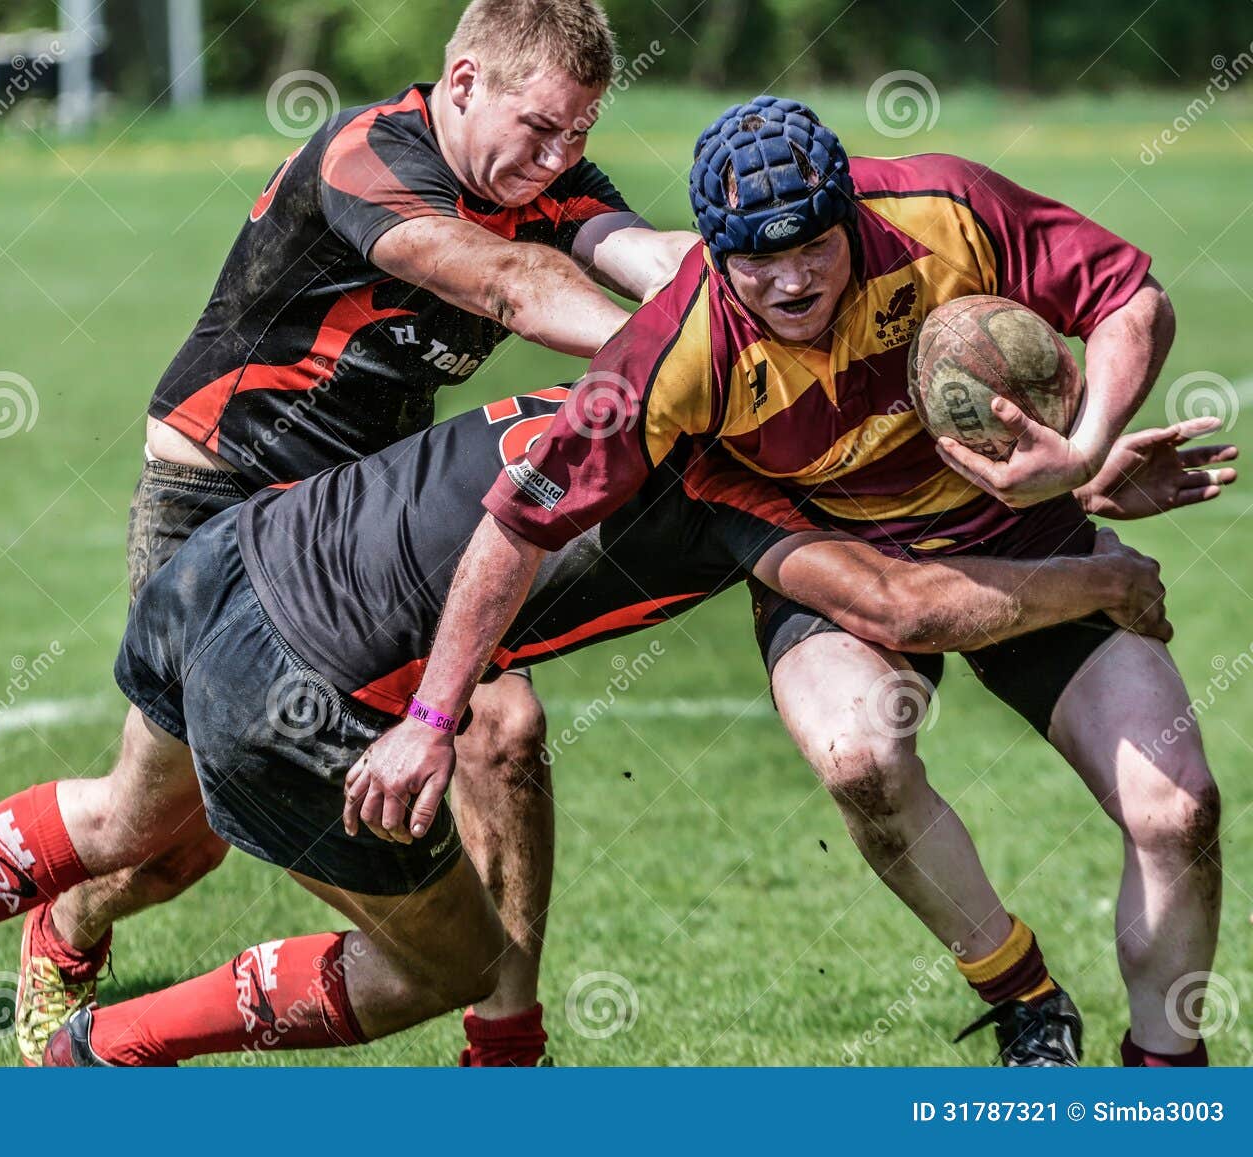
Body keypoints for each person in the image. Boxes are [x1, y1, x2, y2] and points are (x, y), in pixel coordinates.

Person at [0, 386, 1184, 1066]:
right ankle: (103, 1055)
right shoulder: (745, 490)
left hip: (230, 559)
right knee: (440, 959)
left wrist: (1070, 466)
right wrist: (1099, 573)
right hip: (290, 683)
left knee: (132, 823)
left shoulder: (648, 363)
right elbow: (907, 600)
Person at [352, 95, 1232, 1067]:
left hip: (1021, 534)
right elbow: (516, 524)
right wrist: (430, 720)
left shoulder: (944, 210)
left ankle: (1162, 1078)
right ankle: (1021, 993)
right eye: (757, 261)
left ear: (847, 210)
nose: (791, 278)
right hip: (831, 566)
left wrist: (1083, 448)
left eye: (814, 245)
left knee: (1176, 808)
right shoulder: (674, 348)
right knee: (859, 756)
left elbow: (1127, 297)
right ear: (713, 254)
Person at [17, 0, 695, 1068]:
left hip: (367, 517)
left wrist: (758, 297)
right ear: (462, 82)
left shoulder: (550, 174)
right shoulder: (371, 154)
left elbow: (645, 252)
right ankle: (70, 922)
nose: (562, 156)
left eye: (581, 133)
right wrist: (691, 365)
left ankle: (506, 1041)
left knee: (502, 727)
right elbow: (512, 283)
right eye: (541, 128)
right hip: (224, 493)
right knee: (176, 833)